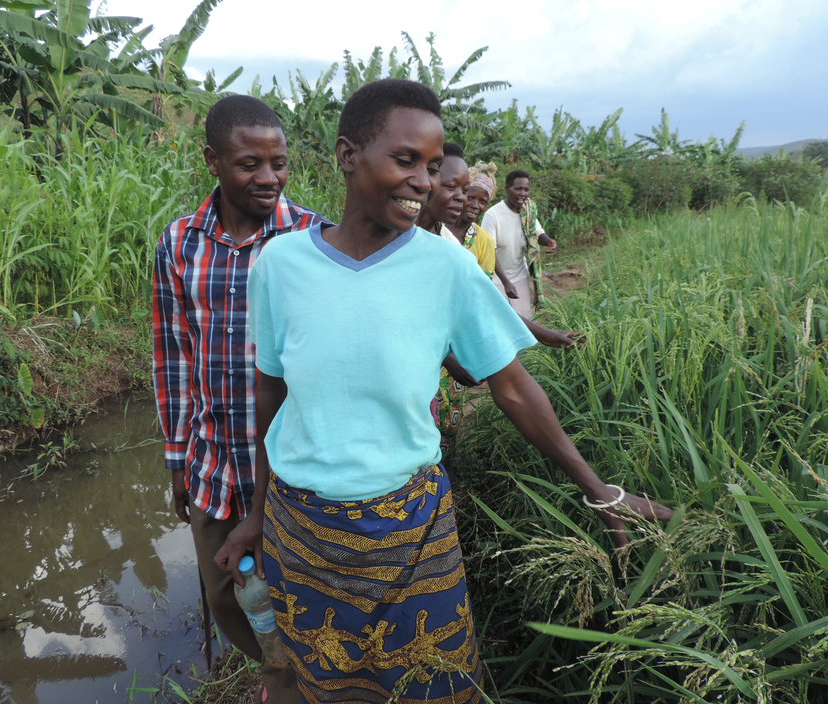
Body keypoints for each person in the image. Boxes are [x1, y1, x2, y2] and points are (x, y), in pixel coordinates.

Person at [218, 79, 672, 703]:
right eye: (405, 161)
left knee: (436, 687)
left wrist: (600, 492)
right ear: (348, 155)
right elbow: (270, 398)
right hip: (304, 533)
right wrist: (255, 512)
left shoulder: (447, 267)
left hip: (413, 531)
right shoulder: (280, 265)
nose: (423, 183)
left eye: (431, 167)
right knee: (332, 685)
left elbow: (511, 388)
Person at [152, 95, 325, 704]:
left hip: (291, 466)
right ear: (213, 161)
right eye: (250, 164)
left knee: (300, 595)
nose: (269, 178)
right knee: (229, 598)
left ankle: (294, 685)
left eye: (279, 163)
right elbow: (173, 358)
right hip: (212, 461)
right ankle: (276, 671)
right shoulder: (178, 244)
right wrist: (178, 463)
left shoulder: (312, 238)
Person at [417, 145, 581, 456]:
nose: (467, 201)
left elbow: (484, 297)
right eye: (454, 188)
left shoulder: (455, 245)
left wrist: (544, 334)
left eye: (470, 193)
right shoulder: (396, 238)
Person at [482, 169, 557, 318]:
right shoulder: (493, 215)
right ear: (507, 188)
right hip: (496, 277)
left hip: (519, 274)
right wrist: (505, 282)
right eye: (518, 189)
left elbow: (538, 233)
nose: (523, 193)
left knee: (526, 318)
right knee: (502, 320)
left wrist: (549, 241)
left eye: (526, 189)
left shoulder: (527, 212)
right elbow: (489, 252)